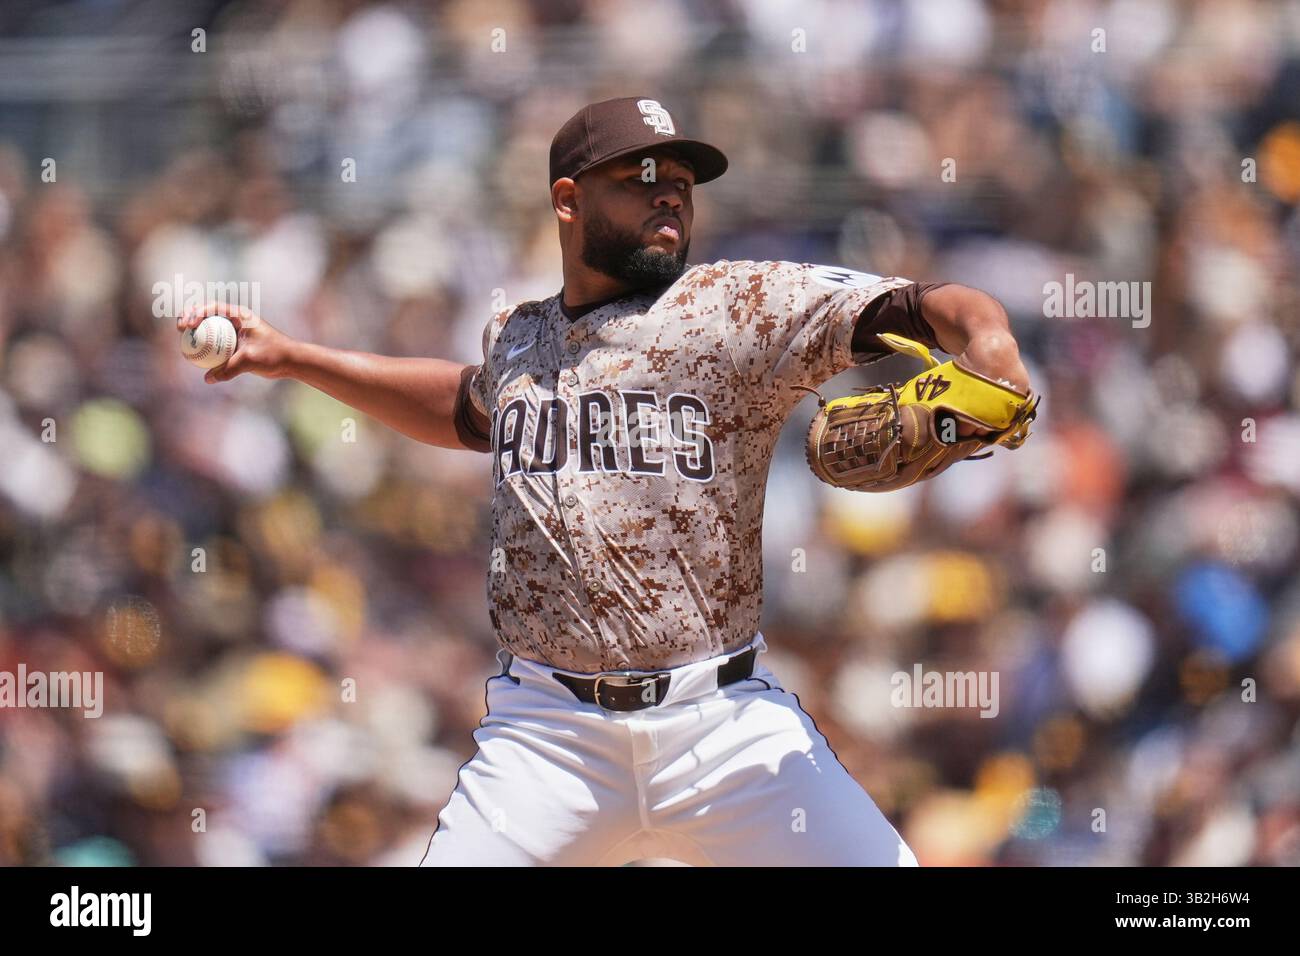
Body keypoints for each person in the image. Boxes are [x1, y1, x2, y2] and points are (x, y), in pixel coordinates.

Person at [178, 96, 1031, 866]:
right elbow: (464, 409)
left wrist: (991, 342)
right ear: (567, 200)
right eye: (643, 178)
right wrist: (293, 357)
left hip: (722, 726)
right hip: (548, 739)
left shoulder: (737, 309)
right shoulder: (517, 337)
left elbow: (925, 305)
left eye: (684, 184)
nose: (672, 196)